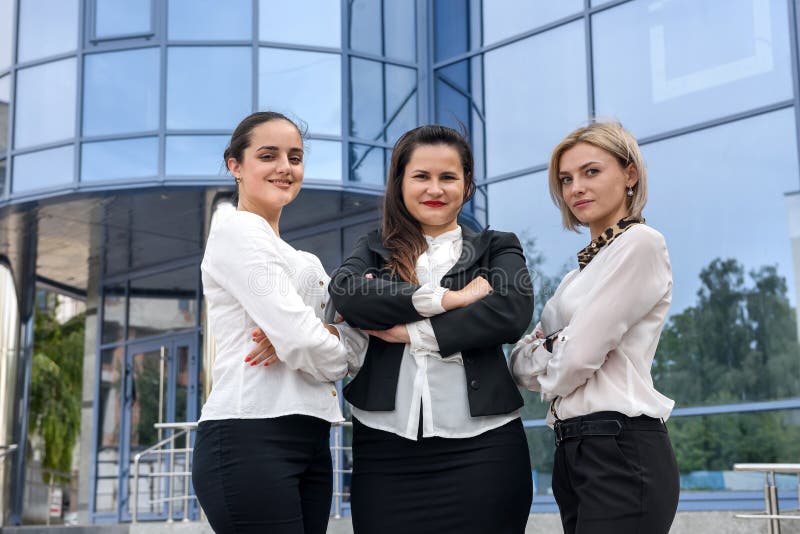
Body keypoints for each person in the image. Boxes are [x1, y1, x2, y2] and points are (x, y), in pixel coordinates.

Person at [328, 125, 534, 534]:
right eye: (421, 176)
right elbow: (348, 295)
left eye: (448, 177)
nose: (434, 189)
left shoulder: (497, 246)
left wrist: (414, 333)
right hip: (386, 453)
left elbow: (510, 311)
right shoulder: (373, 247)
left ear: (467, 183)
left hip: (486, 451)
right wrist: (447, 301)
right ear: (400, 182)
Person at [192, 111, 365, 534]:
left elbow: (353, 337)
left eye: (295, 156)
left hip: (311, 436)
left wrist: (316, 334)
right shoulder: (236, 232)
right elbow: (305, 341)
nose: (285, 168)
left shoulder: (304, 261)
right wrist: (310, 338)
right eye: (268, 155)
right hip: (248, 434)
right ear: (235, 165)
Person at [510, 120, 679, 534]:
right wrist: (561, 345)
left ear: (630, 174)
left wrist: (553, 346)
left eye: (591, 172)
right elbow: (518, 362)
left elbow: (576, 359)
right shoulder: (576, 278)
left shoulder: (641, 243)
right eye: (566, 179)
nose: (575, 189)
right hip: (573, 449)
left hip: (621, 446)